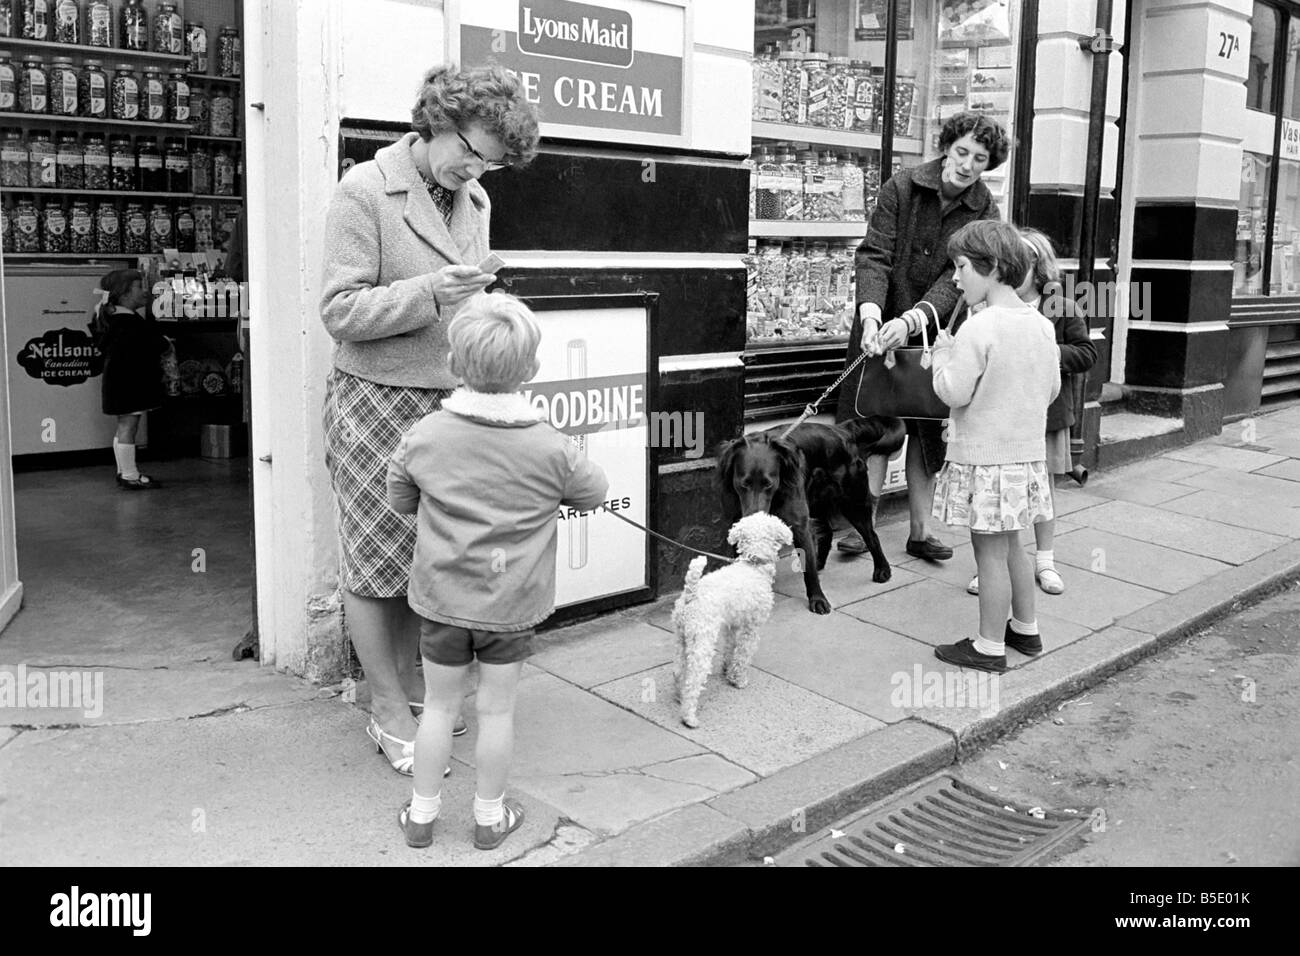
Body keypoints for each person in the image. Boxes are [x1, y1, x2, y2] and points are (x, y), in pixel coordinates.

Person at [319, 64, 540, 776]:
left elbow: (463, 304)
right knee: (371, 557)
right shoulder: (364, 190)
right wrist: (429, 292)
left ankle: (416, 692)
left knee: (426, 555)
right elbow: (339, 312)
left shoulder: (473, 199)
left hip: (443, 404)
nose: (477, 170)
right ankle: (384, 708)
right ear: (437, 120)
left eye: (491, 163)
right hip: (374, 401)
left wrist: (485, 320)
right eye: (471, 150)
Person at [387, 292, 609, 850]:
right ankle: (488, 819)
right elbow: (593, 493)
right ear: (531, 369)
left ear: (454, 365)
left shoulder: (428, 436)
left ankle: (421, 817)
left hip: (443, 601)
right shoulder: (550, 447)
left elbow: (400, 499)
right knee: (497, 710)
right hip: (511, 607)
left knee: (439, 707)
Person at [836, 111, 1011, 562]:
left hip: (936, 330)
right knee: (873, 423)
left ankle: (920, 530)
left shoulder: (984, 209)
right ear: (947, 147)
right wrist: (872, 316)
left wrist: (915, 320)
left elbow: (958, 279)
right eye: (961, 152)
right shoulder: (903, 185)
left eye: (980, 157)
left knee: (926, 429)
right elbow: (874, 253)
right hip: (880, 322)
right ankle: (863, 526)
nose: (967, 164)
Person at [928, 220, 1061, 673]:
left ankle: (987, 646)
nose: (956, 277)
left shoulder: (978, 328)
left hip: (985, 462)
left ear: (993, 268)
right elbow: (1052, 390)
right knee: (1013, 547)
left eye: (962, 266)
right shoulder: (1042, 327)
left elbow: (953, 392)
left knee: (988, 555)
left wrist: (941, 357)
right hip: (1025, 459)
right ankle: (1025, 629)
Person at [967, 227, 1097, 598]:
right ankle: (993, 568)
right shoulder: (988, 308)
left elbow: (1087, 354)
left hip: (1048, 415)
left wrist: (1047, 352)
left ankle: (1044, 559)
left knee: (1042, 492)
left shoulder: (1060, 307)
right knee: (1000, 494)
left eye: (1020, 262)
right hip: (1001, 417)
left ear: (1037, 267)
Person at [92, 268, 171, 491]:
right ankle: (129, 474)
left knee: (122, 427)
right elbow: (152, 344)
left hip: (117, 383)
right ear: (125, 294)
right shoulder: (130, 323)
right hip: (130, 384)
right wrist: (165, 342)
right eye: (139, 287)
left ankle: (123, 469)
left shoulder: (109, 320)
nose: (144, 292)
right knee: (129, 427)